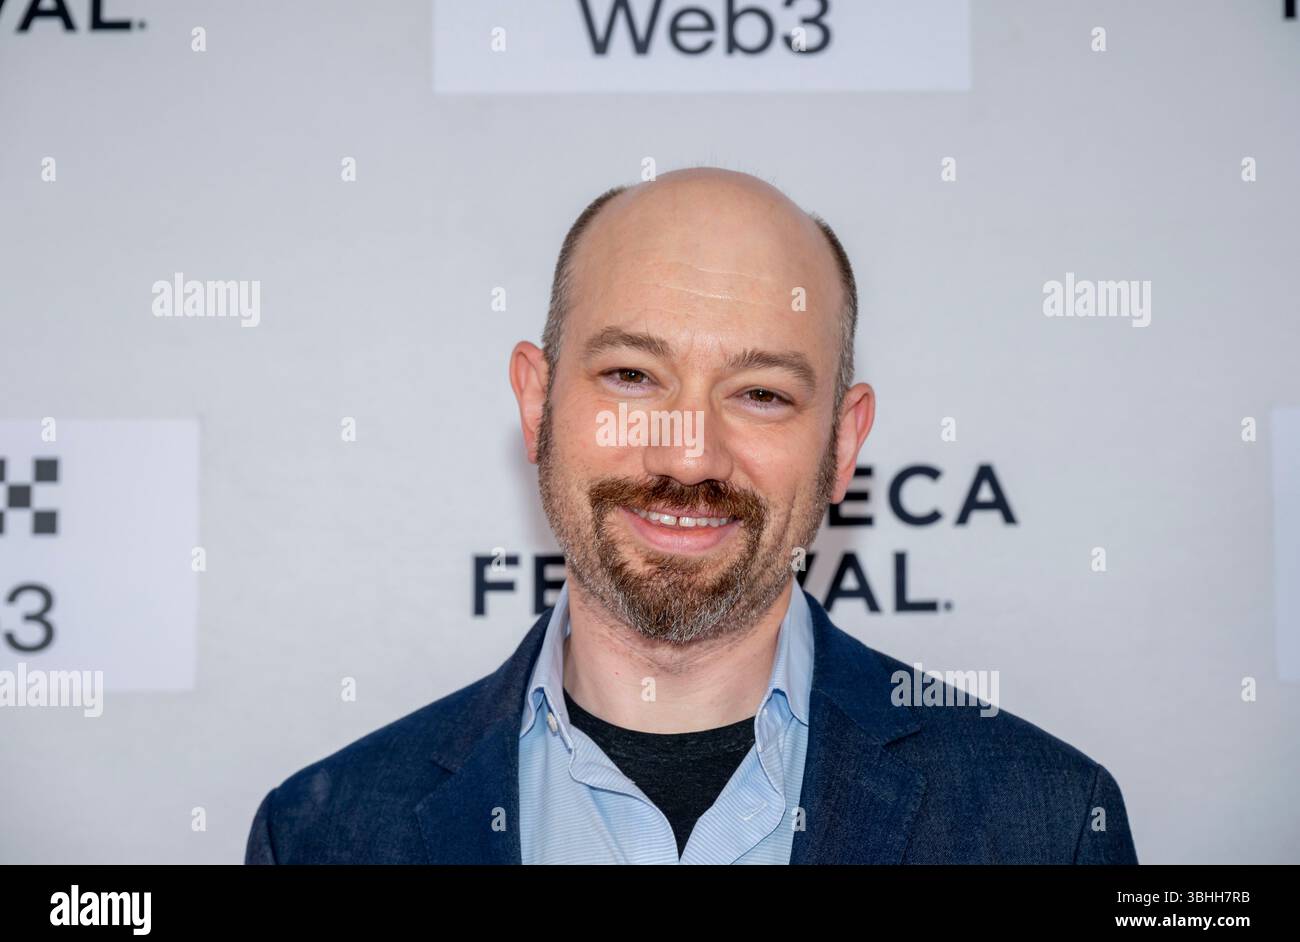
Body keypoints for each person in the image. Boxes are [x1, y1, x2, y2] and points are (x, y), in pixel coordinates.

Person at [245, 167, 1138, 864]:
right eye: (632, 375)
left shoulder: (1047, 822)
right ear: (537, 403)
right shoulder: (324, 834)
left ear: (843, 441)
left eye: (761, 392)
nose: (688, 455)